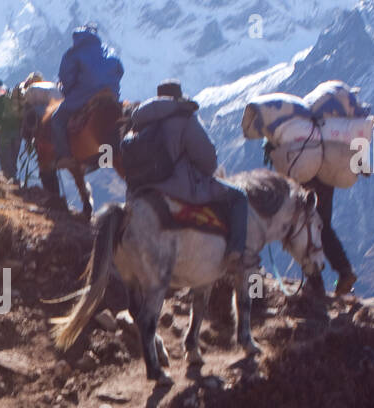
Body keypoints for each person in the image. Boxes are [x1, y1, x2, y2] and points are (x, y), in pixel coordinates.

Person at [127, 80, 253, 273]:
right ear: (178, 97)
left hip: (141, 188)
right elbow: (208, 160)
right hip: (180, 187)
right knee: (238, 198)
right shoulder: (184, 116)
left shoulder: (138, 119)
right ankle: (235, 256)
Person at [52, 23, 123, 158]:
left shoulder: (74, 52)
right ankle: (105, 160)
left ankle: (65, 158)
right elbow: (120, 70)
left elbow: (66, 77)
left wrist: (67, 91)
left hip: (84, 94)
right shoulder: (109, 50)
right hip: (110, 94)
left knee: (57, 120)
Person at [304, 181, 357, 298]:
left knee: (304, 228)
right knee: (323, 226)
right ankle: (344, 269)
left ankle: (314, 282)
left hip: (307, 179)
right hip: (325, 179)